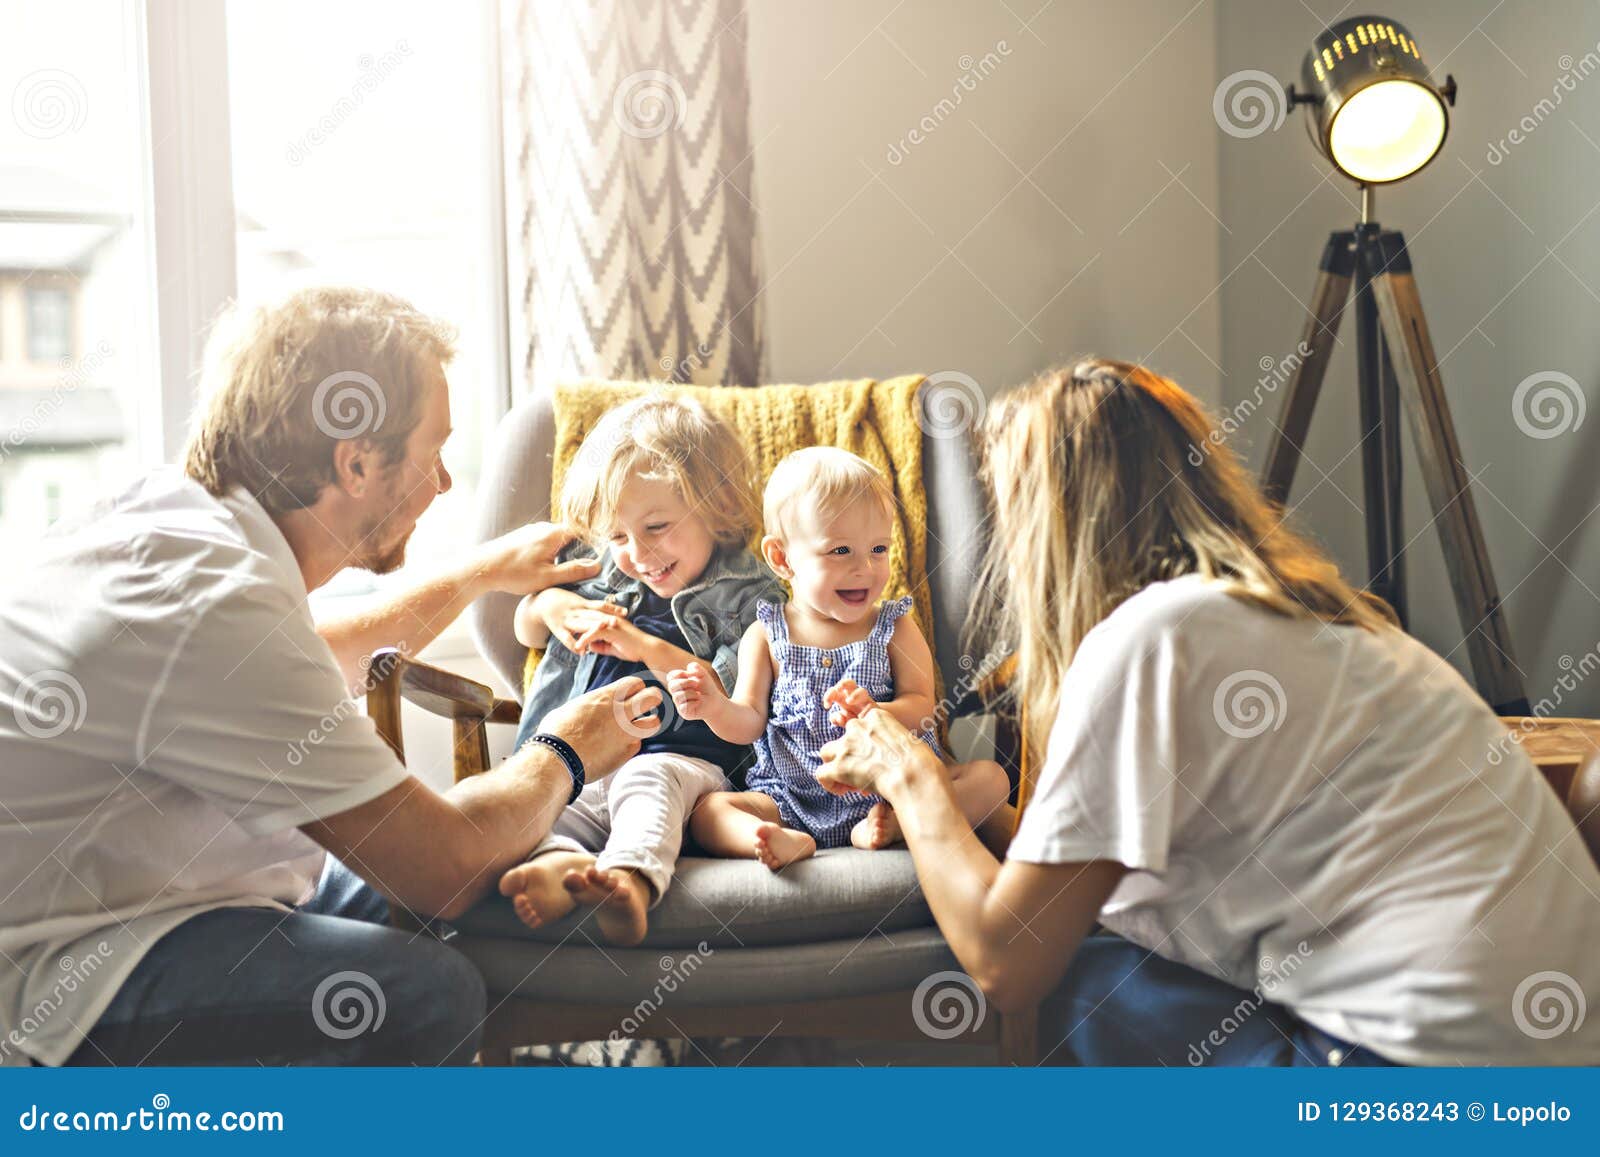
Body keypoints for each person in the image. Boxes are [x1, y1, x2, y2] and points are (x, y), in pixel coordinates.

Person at [816, 357, 1600, 1066]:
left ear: (1051, 526)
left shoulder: (1150, 639)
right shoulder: (1327, 621)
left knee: (1086, 985)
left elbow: (1006, 961)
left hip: (1421, 1084)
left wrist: (908, 772)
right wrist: (966, 798)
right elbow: (1074, 877)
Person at [0, 286, 660, 1067]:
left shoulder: (181, 523)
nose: (445, 484)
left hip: (158, 899)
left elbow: (316, 653)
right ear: (355, 463)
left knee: (451, 896)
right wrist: (567, 748)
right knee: (426, 987)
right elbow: (442, 865)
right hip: (69, 971)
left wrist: (480, 572)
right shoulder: (216, 603)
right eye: (432, 453)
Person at [496, 397, 781, 946]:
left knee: (645, 782)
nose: (637, 553)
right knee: (544, 805)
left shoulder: (750, 595)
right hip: (577, 757)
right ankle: (560, 867)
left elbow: (730, 696)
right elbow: (524, 631)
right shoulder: (600, 573)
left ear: (717, 504)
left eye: (656, 526)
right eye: (619, 537)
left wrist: (643, 646)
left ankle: (630, 879)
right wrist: (548, 608)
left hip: (685, 769)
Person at [671, 447, 1009, 869]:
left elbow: (924, 706)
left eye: (879, 549)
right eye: (841, 551)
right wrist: (713, 706)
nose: (865, 568)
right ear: (782, 558)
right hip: (791, 799)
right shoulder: (766, 636)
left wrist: (878, 712)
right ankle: (781, 839)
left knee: (990, 779)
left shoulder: (894, 626)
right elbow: (748, 722)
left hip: (891, 789)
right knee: (709, 812)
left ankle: (895, 824)